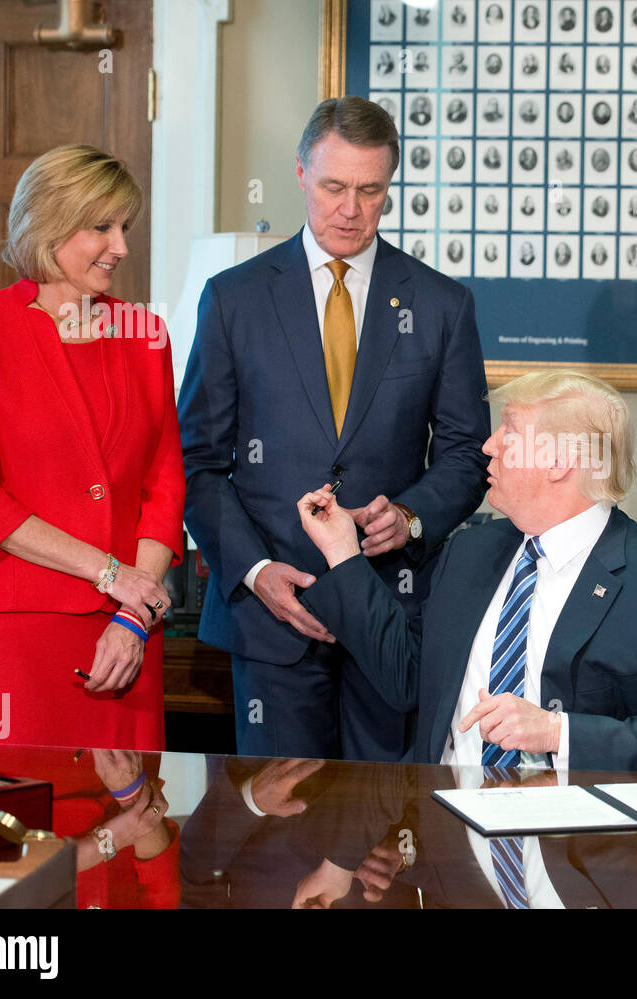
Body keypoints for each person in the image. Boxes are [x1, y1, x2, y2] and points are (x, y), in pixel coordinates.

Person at [178, 97, 490, 761]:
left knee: (383, 839)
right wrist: (256, 570)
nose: (351, 209)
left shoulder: (442, 304)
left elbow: (466, 455)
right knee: (282, 838)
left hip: (393, 618)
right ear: (299, 174)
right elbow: (198, 461)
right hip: (273, 619)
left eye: (371, 190)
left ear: (389, 187)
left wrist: (410, 515)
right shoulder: (234, 299)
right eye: (334, 187)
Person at [296, 372, 637, 774]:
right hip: (444, 836)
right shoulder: (470, 551)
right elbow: (407, 678)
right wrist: (342, 552)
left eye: (508, 430)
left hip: (574, 847)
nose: (487, 445)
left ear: (559, 462)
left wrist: (557, 733)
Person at [0, 144, 184, 750]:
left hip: (127, 628)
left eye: (125, 226)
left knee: (132, 827)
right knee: (16, 822)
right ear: (47, 225)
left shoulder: (146, 332)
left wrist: (132, 609)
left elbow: (166, 481)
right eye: (101, 227)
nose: (121, 247)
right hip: (14, 632)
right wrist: (111, 575)